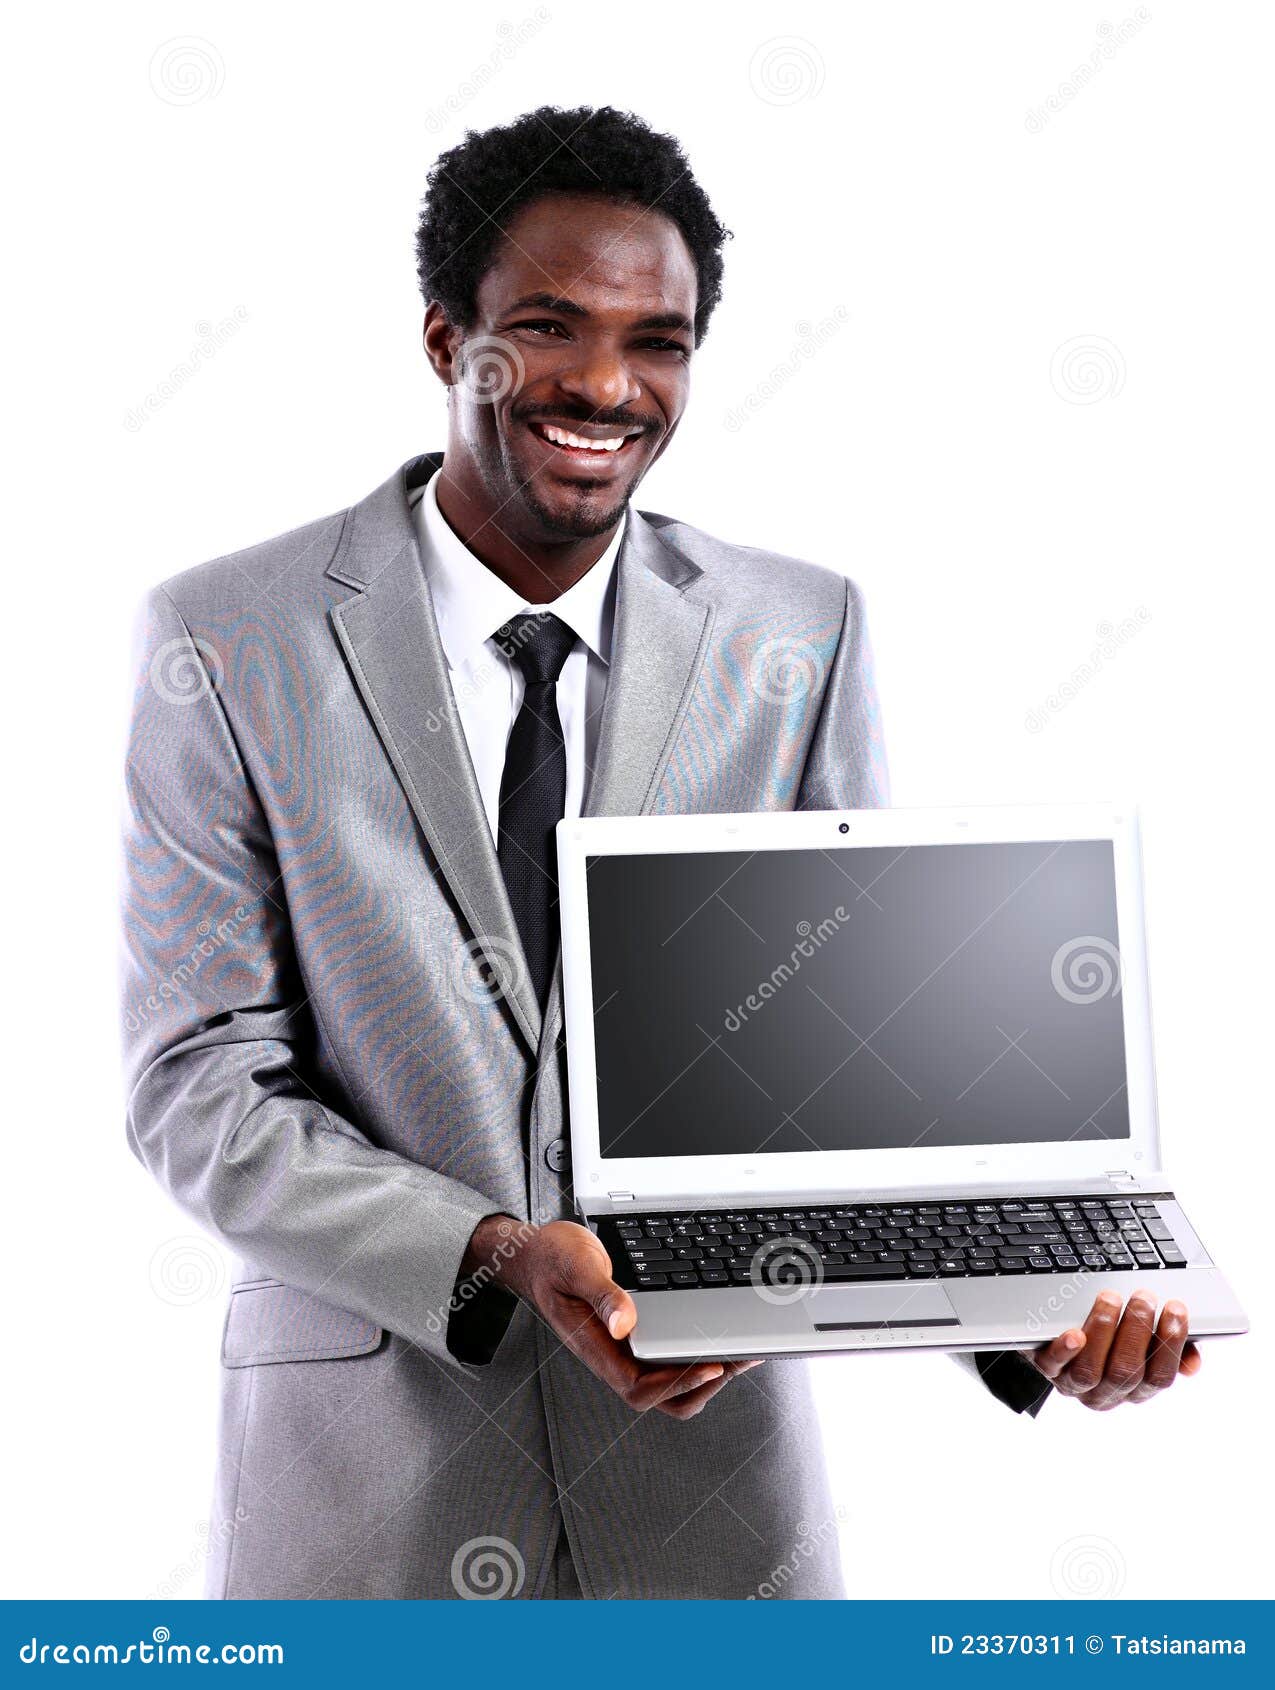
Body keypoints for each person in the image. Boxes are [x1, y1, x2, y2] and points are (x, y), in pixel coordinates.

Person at [121, 105, 1199, 1602]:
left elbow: (859, 1069)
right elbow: (198, 1079)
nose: (608, 386)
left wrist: (1027, 1316)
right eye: (549, 329)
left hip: (713, 1507)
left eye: (661, 341)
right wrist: (493, 1249)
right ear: (448, 341)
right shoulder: (229, 638)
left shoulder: (797, 629)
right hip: (368, 1488)